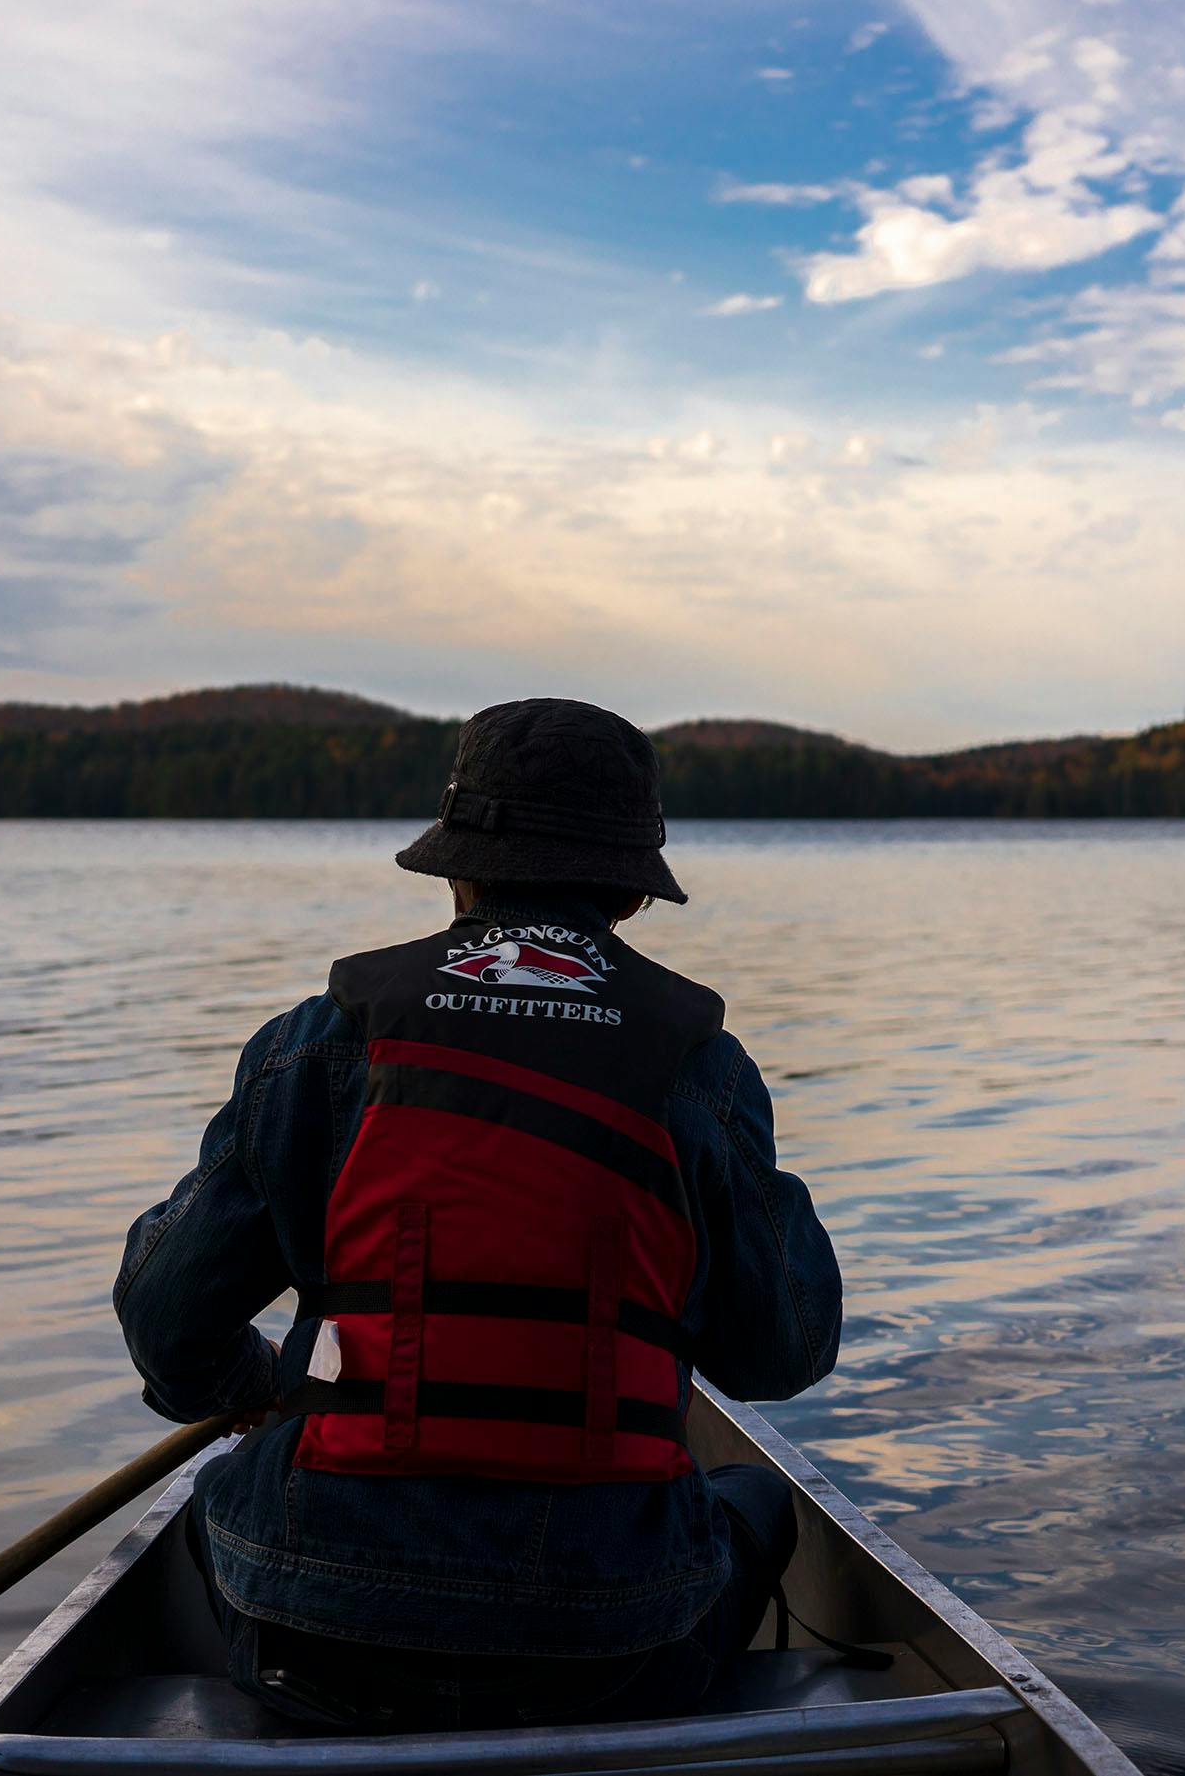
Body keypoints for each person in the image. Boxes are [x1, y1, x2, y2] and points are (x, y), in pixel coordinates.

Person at [114, 696, 843, 1732]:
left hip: (318, 1647)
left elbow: (167, 1322)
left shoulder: (319, 1040)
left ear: (459, 871)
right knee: (759, 1504)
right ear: (633, 898)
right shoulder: (700, 1069)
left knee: (226, 1496)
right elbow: (784, 1356)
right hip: (617, 1648)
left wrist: (254, 1385)